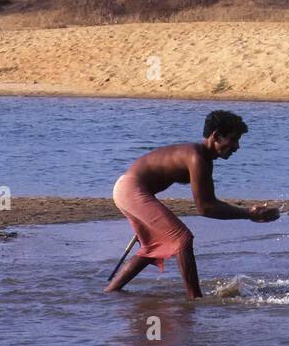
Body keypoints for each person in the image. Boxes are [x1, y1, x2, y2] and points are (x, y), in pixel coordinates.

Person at [104, 110, 279, 299]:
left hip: (129, 190)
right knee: (182, 238)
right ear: (215, 136)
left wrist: (248, 213)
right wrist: (249, 214)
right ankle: (195, 299)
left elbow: (209, 202)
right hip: (130, 189)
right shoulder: (196, 157)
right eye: (234, 139)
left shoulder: (203, 159)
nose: (237, 146)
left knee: (152, 247)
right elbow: (205, 207)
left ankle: (110, 293)